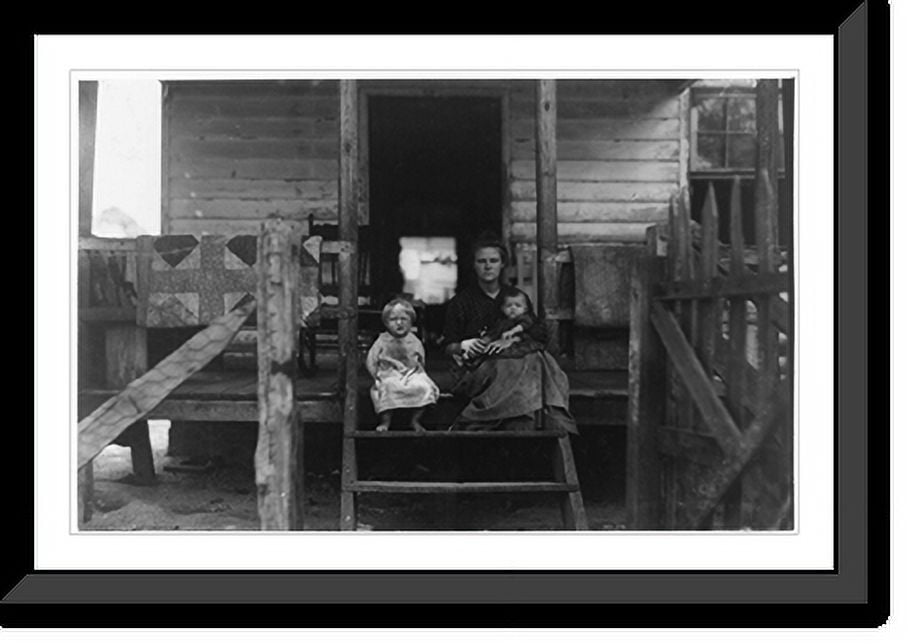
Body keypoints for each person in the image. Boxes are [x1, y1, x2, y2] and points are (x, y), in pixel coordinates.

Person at [442, 235, 576, 433]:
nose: (488, 266)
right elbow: (447, 347)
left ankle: (524, 421)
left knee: (537, 359)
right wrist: (464, 345)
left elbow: (537, 333)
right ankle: (521, 422)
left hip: (514, 361)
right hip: (478, 368)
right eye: (482, 261)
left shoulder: (515, 297)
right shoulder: (461, 302)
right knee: (520, 364)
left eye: (493, 261)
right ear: (474, 265)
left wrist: (513, 341)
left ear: (502, 264)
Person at [365, 298, 440, 432]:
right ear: (386, 322)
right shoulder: (382, 340)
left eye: (403, 319)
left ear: (411, 321)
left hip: (411, 373)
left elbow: (421, 360)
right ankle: (385, 421)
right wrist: (376, 376)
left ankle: (415, 420)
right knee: (388, 387)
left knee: (423, 386)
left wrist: (419, 373)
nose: (399, 323)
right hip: (389, 373)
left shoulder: (414, 341)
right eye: (393, 319)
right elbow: (371, 360)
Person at [461, 285, 547, 369]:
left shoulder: (526, 319)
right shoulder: (502, 322)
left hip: (522, 350)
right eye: (509, 306)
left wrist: (513, 334)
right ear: (502, 308)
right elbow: (494, 333)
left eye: (518, 305)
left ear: (525, 308)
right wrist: (483, 341)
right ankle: (471, 360)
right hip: (501, 349)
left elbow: (527, 328)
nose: (513, 308)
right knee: (488, 352)